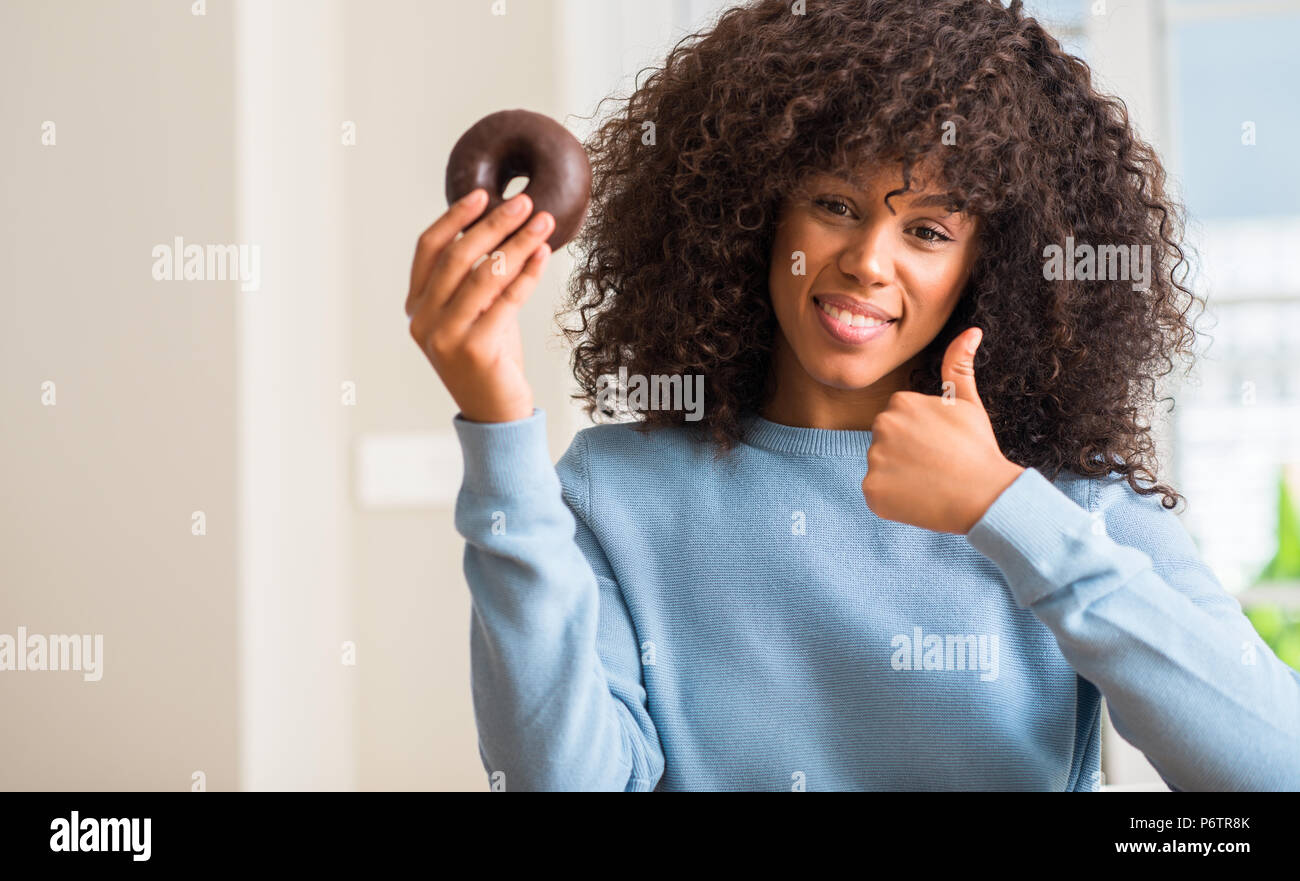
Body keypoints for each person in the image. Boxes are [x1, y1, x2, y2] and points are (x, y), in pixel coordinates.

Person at [406, 0, 1300, 791]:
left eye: (926, 229)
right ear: (755, 212)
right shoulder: (615, 491)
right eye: (835, 203)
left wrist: (1004, 507)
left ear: (984, 270)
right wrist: (496, 425)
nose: (870, 260)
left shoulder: (1060, 500)